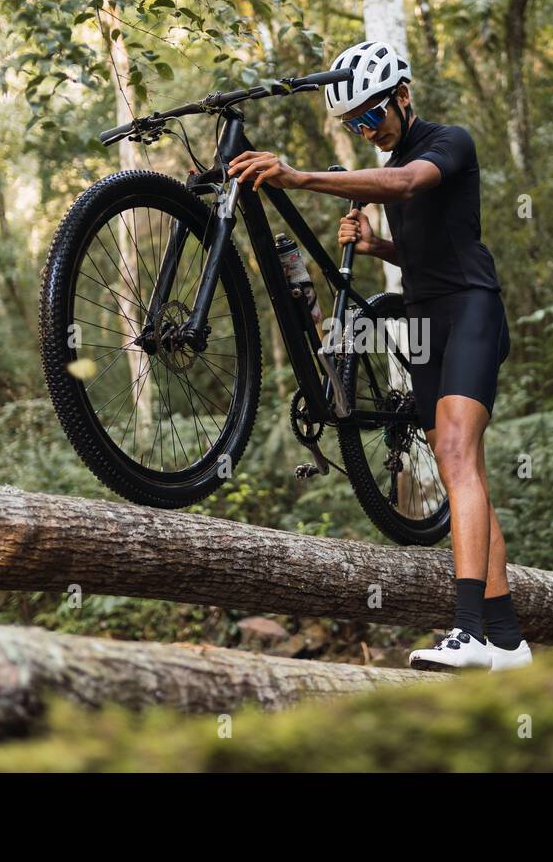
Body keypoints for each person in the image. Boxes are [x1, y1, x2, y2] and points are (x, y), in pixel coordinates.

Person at [226, 40, 531, 672]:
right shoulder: (386, 154)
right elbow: (420, 251)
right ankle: (507, 641)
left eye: (371, 116)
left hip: (470, 307)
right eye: (353, 124)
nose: (366, 130)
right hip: (420, 314)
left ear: (403, 95)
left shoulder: (450, 143)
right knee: (460, 469)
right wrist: (376, 250)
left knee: (454, 453)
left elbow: (407, 183)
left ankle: (469, 631)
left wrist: (299, 177)